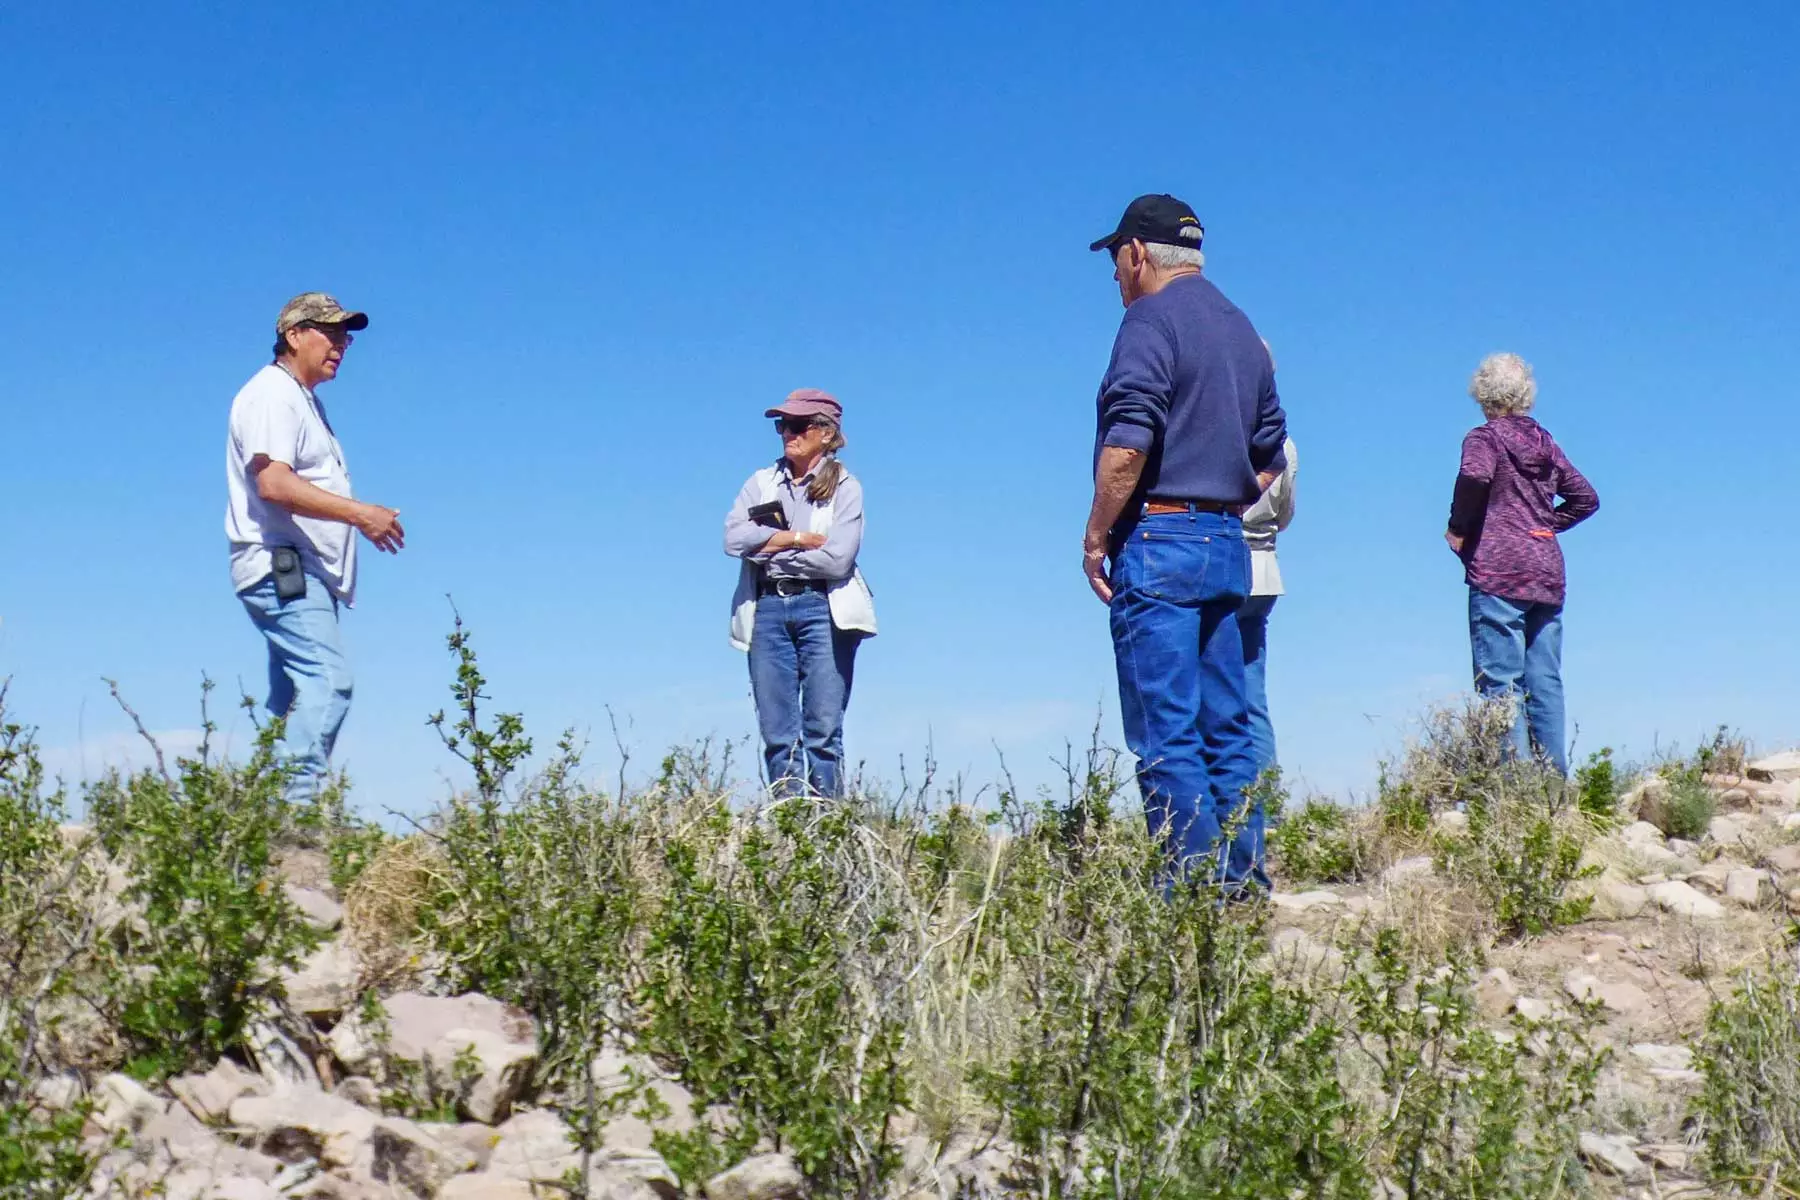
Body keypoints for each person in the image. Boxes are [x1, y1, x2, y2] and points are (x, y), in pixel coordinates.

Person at [1082, 194, 1288, 895]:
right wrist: (1224, 500)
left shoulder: (1149, 321)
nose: (1115, 277)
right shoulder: (1240, 327)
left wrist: (1095, 534)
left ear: (1138, 253)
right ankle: (1242, 888)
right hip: (1227, 543)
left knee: (1166, 733)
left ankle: (1193, 904)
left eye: (1115, 261)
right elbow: (1272, 452)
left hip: (1160, 539)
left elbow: (1126, 446)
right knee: (1227, 728)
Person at [225, 293, 405, 801]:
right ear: (294, 335)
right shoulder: (271, 395)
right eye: (330, 332)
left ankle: (240, 827)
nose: (341, 345)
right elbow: (274, 485)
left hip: (299, 568)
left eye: (346, 336)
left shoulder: (301, 400)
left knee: (288, 705)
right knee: (329, 684)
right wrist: (360, 514)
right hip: (283, 564)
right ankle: (293, 825)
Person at [1446, 352, 1598, 775]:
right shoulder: (1545, 442)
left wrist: (1459, 527)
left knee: (1500, 684)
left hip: (1499, 569)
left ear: (1482, 392)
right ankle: (1553, 787)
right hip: (1546, 570)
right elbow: (1586, 498)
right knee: (1545, 681)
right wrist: (1544, 524)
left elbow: (1475, 476)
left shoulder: (1485, 438)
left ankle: (1517, 793)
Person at [724, 390, 876, 798]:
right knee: (778, 735)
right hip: (766, 610)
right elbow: (733, 539)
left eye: (797, 425)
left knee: (822, 734)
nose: (787, 434)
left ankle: (825, 835)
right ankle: (789, 834)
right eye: (782, 425)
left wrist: (770, 553)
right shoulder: (760, 482)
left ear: (826, 433)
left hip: (823, 609)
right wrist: (795, 539)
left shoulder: (846, 487)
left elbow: (835, 561)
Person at [1240, 431, 1297, 780]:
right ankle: (1263, 805)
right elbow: (1285, 515)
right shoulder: (1284, 443)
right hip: (1263, 570)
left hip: (1219, 564)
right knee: (1251, 696)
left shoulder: (1212, 425)